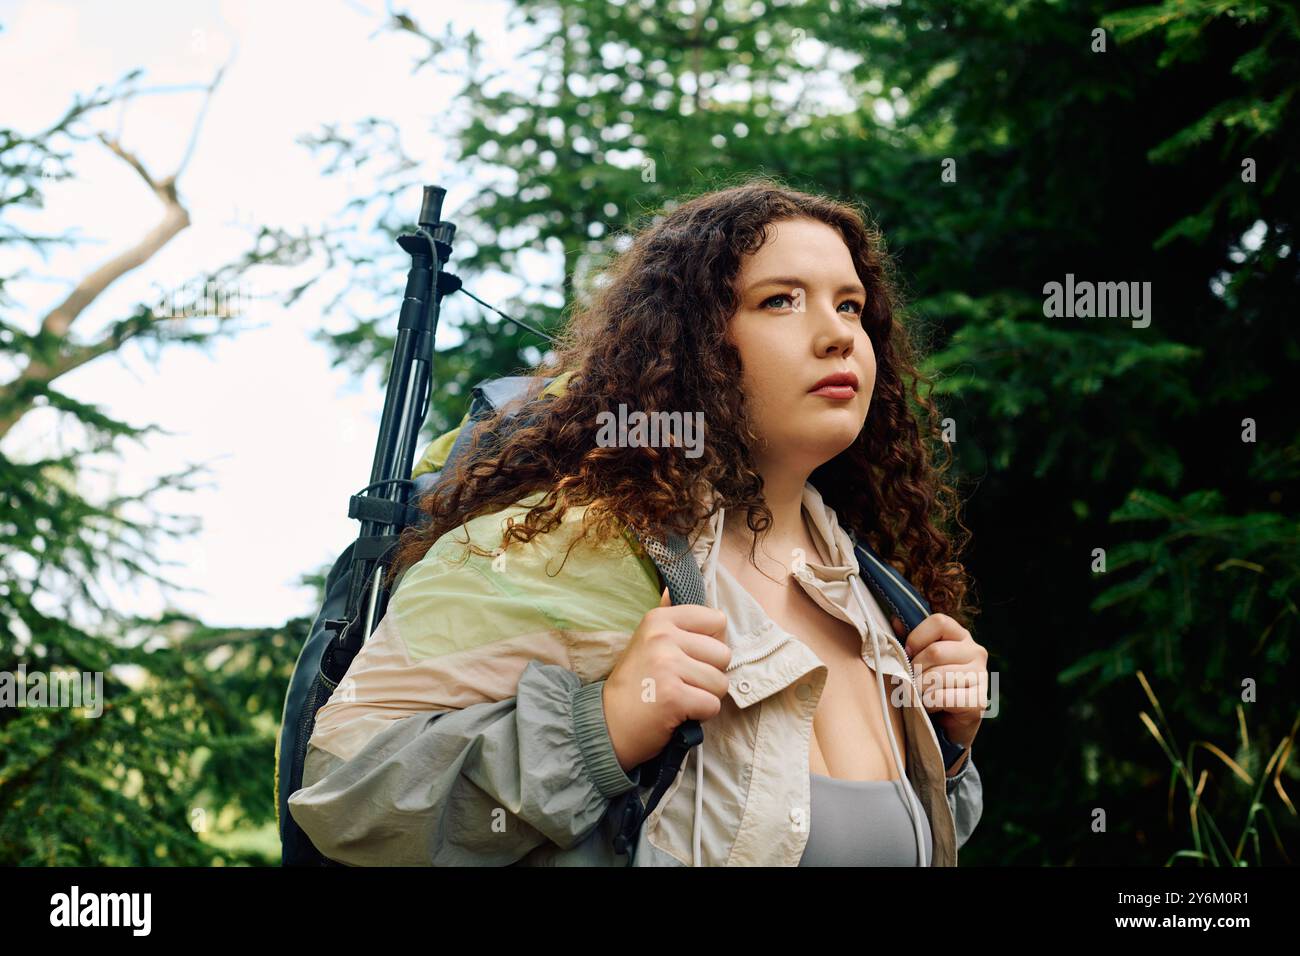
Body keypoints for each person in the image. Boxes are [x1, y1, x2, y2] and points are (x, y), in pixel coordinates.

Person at [287, 176, 987, 866]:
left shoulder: (878, 602)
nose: (837, 335)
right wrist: (600, 728)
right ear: (693, 343)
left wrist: (945, 754)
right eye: (780, 301)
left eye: (851, 306)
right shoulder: (574, 544)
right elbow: (348, 797)